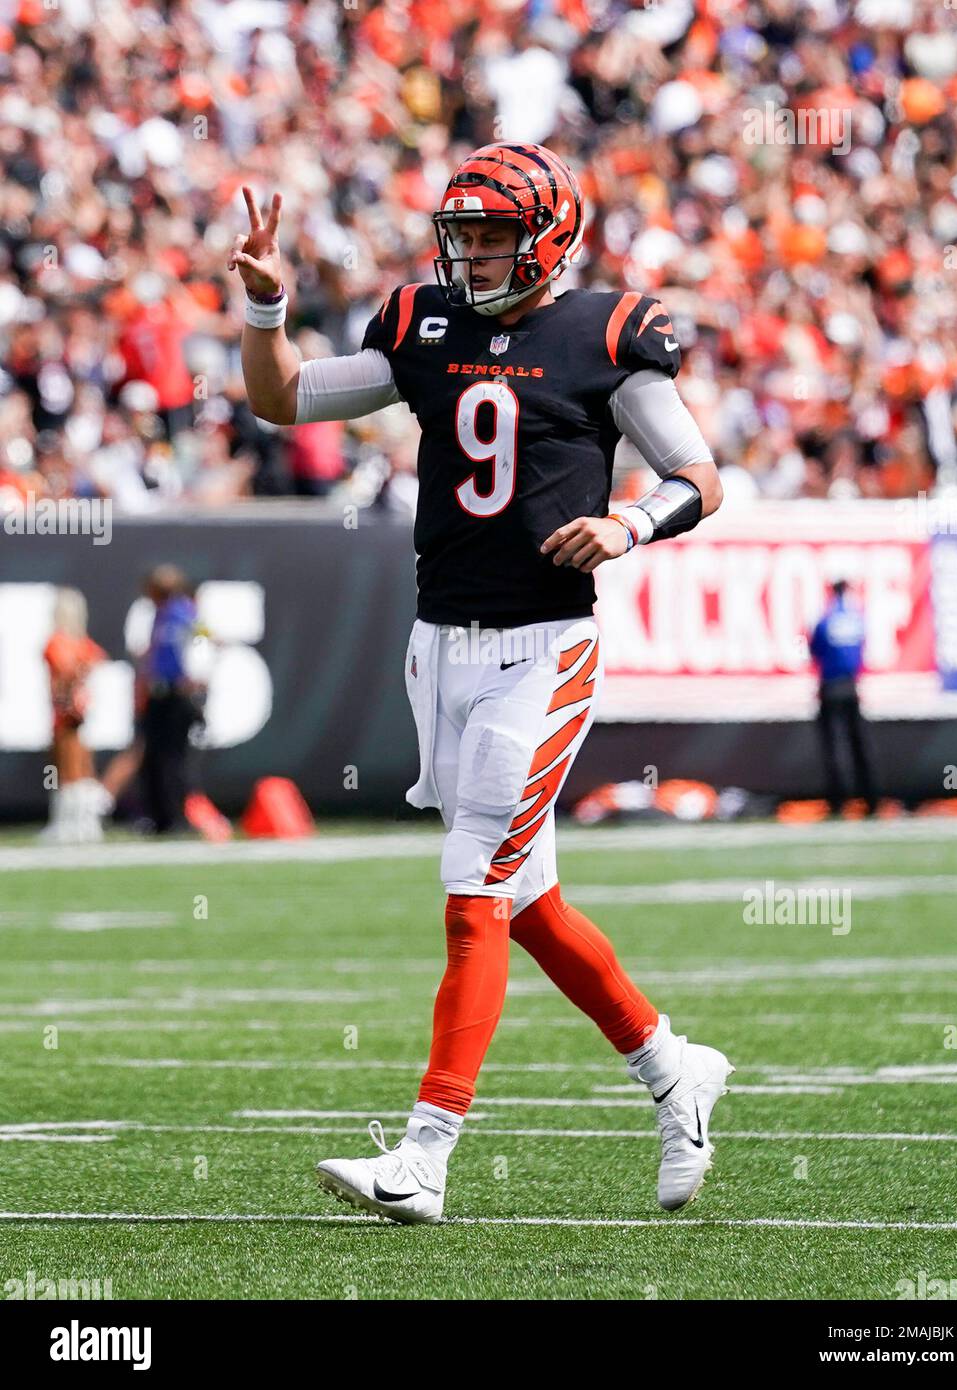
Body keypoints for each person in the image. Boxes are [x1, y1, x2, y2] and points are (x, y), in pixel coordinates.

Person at [233, 143, 732, 1224]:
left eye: (491, 234)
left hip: (543, 649)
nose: (469, 254)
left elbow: (700, 478)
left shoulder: (605, 334)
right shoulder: (427, 322)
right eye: (458, 233)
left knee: (471, 895)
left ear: (548, 233)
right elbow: (285, 401)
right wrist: (267, 313)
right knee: (529, 903)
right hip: (438, 646)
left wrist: (626, 521)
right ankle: (670, 1069)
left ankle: (425, 1153)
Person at [40, 588, 112, 844]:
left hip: (68, 714)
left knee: (69, 771)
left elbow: (66, 669)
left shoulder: (60, 641)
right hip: (80, 712)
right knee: (79, 769)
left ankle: (71, 825)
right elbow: (96, 660)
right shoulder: (79, 642)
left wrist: (74, 683)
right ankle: (82, 824)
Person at [137, 565, 202, 833]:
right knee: (155, 757)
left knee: (171, 758)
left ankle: (175, 817)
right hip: (161, 694)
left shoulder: (180, 612)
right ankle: (162, 817)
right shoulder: (164, 614)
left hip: (174, 695)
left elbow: (190, 649)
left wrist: (189, 681)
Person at [808, 578, 879, 816]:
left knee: (834, 746)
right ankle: (871, 800)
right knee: (860, 745)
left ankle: (838, 803)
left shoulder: (826, 619)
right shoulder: (856, 618)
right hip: (852, 686)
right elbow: (860, 650)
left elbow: (815, 650)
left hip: (830, 687)